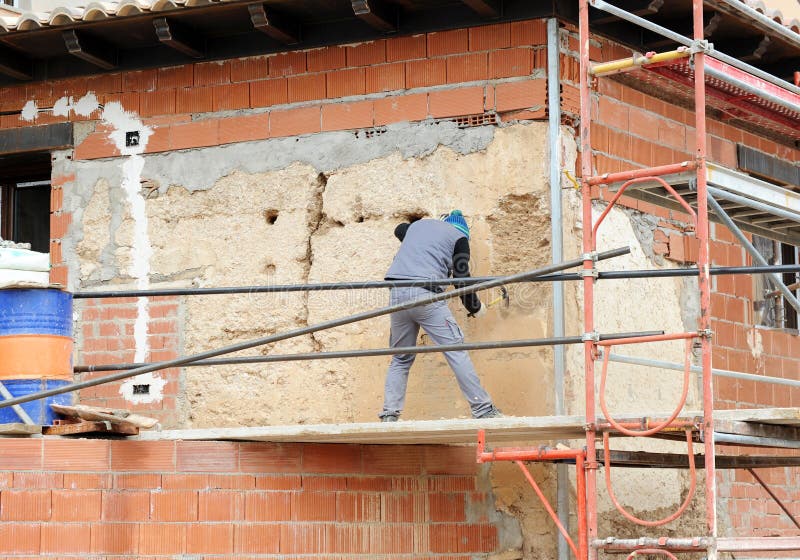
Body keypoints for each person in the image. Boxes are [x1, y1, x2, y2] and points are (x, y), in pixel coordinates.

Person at [378, 210, 502, 422]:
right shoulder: (459, 239)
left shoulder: (418, 226)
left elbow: (399, 229)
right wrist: (475, 307)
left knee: (401, 357)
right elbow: (461, 278)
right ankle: (483, 410)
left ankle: (390, 414)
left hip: (397, 294)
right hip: (426, 296)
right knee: (456, 351)